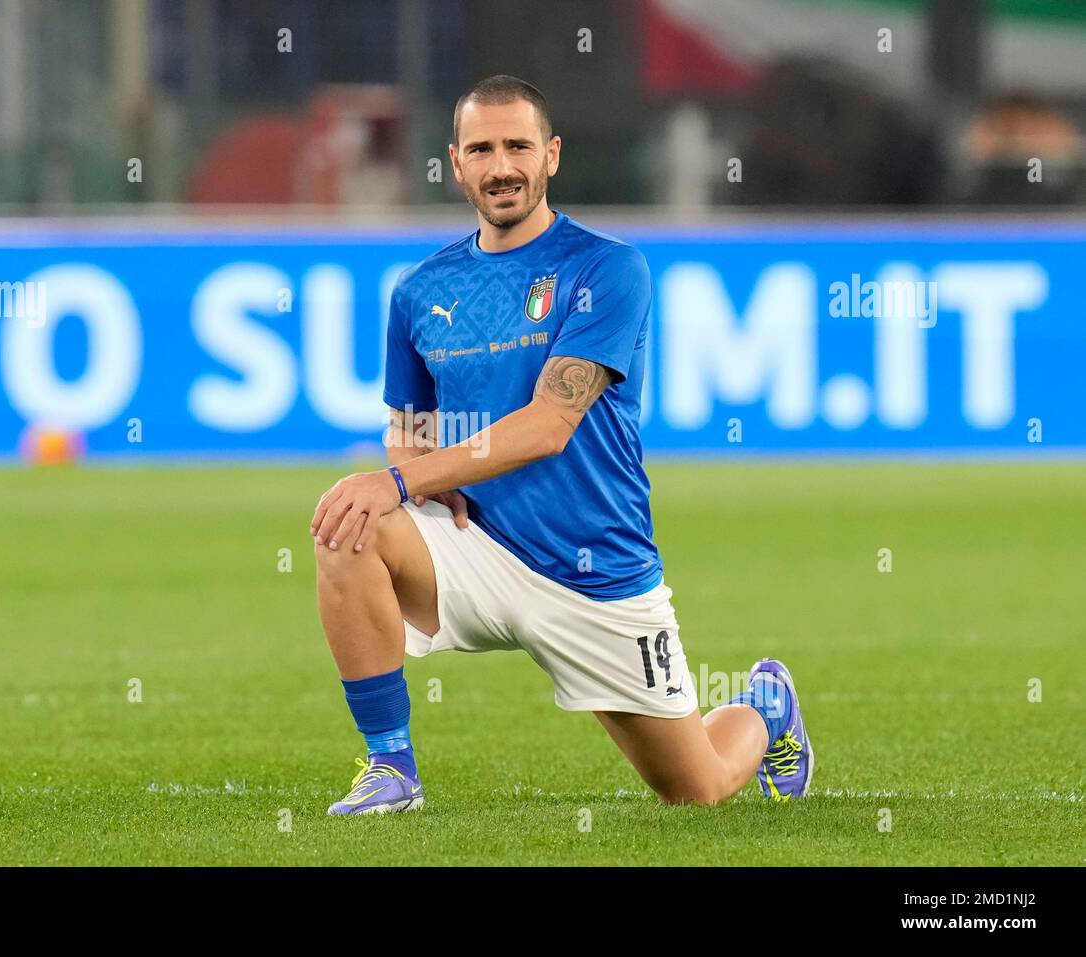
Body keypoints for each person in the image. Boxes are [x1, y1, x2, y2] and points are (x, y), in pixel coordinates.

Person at [311, 75, 812, 815]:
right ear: (456, 163)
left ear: (551, 155)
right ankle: (392, 767)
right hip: (473, 546)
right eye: (482, 148)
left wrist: (397, 481)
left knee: (694, 789)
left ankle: (767, 708)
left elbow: (549, 425)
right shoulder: (419, 290)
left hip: (595, 570)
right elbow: (409, 431)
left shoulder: (607, 268)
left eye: (518, 145)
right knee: (344, 523)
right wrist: (412, 471)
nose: (501, 165)